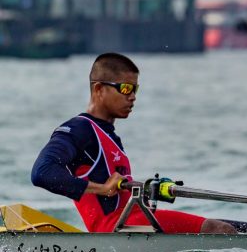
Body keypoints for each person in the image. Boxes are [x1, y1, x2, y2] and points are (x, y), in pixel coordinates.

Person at [31, 52, 236, 234]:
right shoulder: (79, 129)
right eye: (125, 88)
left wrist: (147, 190)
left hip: (132, 220)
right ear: (99, 89)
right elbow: (42, 173)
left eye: (135, 89)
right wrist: (102, 189)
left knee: (235, 226)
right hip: (116, 226)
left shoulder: (108, 134)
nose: (132, 97)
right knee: (219, 230)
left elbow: (115, 187)